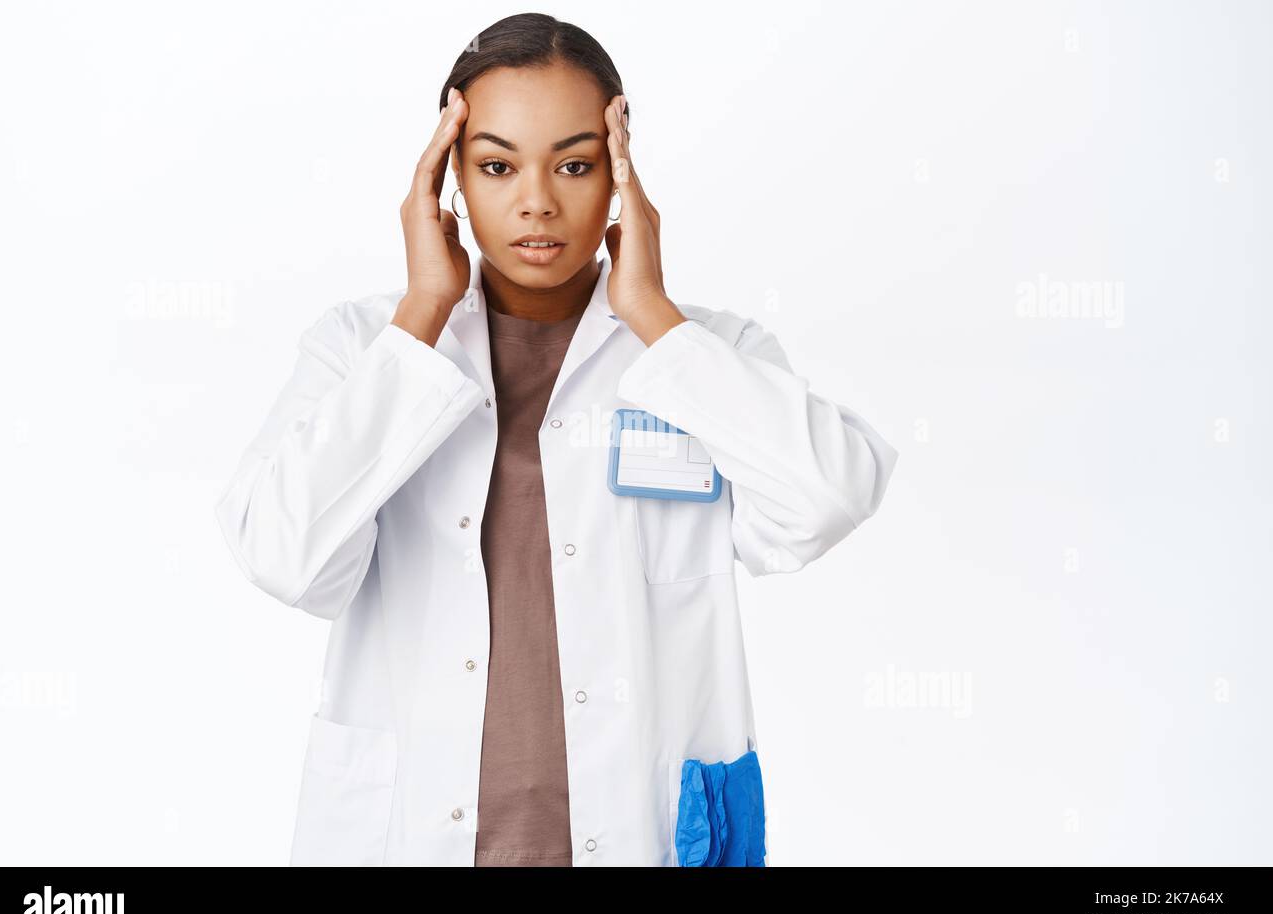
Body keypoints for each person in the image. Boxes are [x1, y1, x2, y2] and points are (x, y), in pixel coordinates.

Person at [214, 12, 898, 867]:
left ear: (621, 174)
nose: (536, 199)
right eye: (496, 166)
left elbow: (828, 498)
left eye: (575, 164)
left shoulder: (704, 354)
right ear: (448, 179)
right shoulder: (367, 348)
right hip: (413, 839)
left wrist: (650, 313)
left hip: (642, 835)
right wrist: (422, 313)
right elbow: (284, 556)